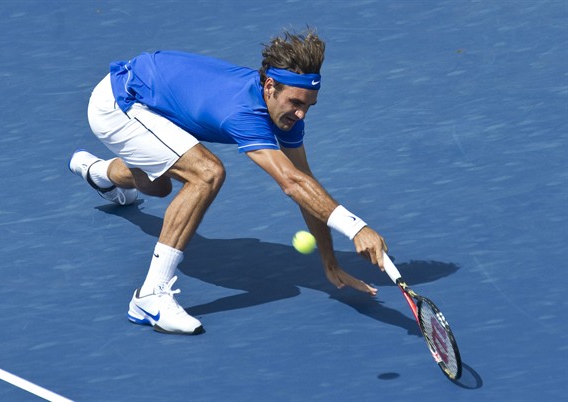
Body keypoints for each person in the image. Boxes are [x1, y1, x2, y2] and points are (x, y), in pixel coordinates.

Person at [69, 28, 388, 335]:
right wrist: (356, 228)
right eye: (296, 103)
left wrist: (329, 260)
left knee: (159, 186)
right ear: (270, 87)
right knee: (206, 173)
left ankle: (99, 173)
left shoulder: (285, 114)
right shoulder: (243, 112)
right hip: (118, 104)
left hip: (156, 99)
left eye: (308, 105)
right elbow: (291, 183)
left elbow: (305, 184)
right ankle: (150, 296)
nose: (302, 114)